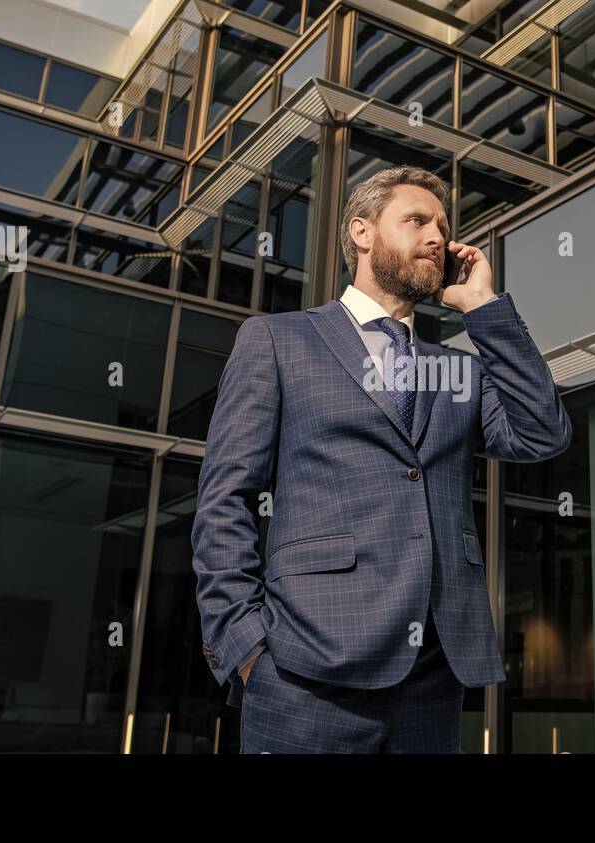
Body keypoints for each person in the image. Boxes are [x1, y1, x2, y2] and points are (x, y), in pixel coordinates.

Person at [191, 165, 571, 753]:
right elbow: (224, 502)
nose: (437, 237)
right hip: (304, 672)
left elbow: (542, 432)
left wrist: (485, 309)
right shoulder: (277, 341)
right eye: (416, 220)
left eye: (443, 226)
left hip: (434, 675)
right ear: (361, 232)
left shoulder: (459, 370)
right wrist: (244, 648)